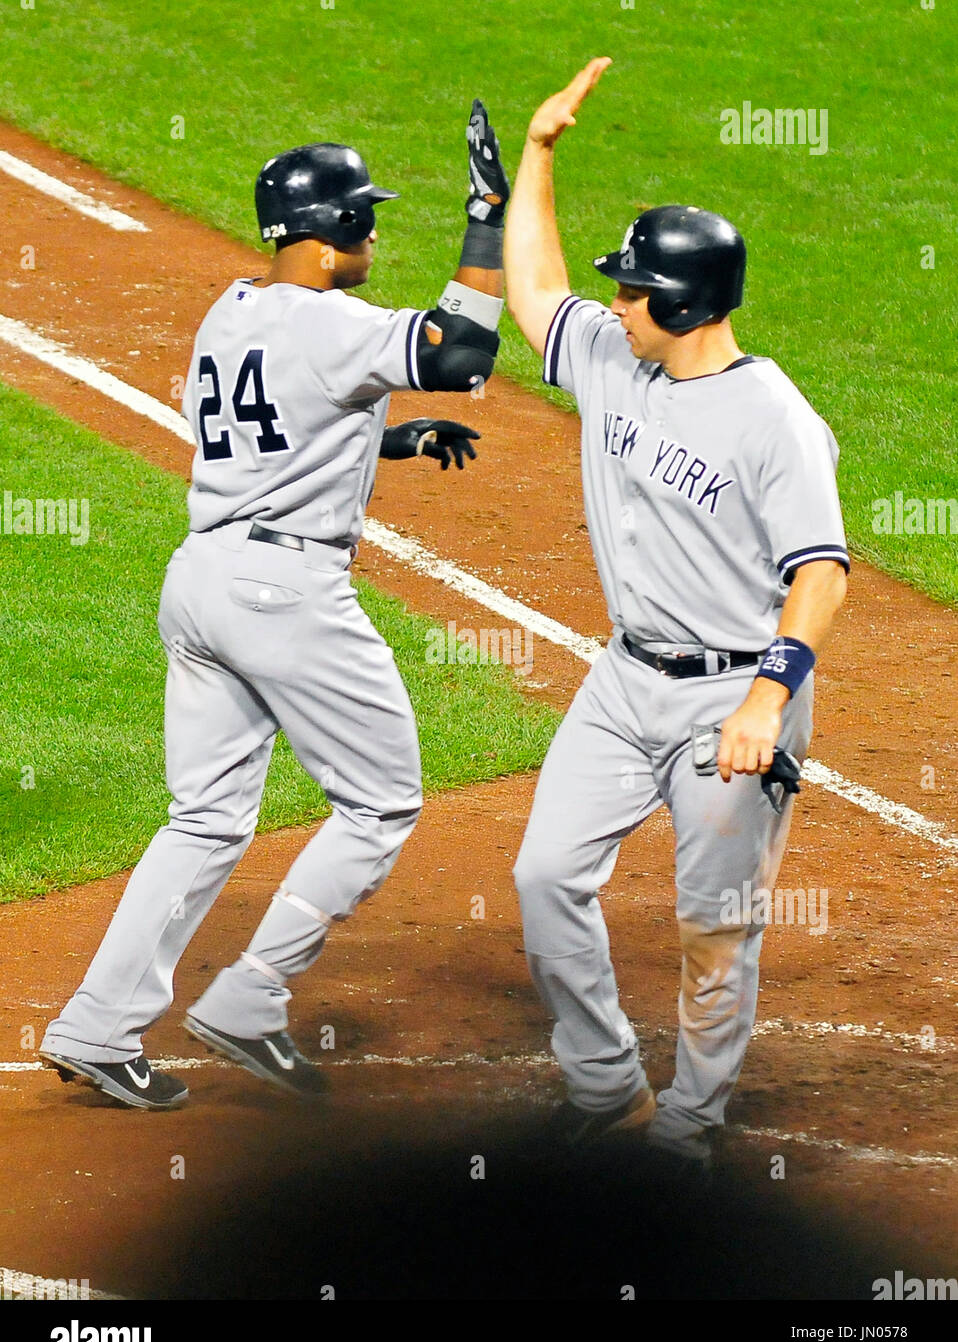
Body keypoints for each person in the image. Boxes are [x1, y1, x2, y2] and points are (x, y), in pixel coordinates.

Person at [40, 102, 511, 1110]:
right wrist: (486, 218)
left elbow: (275, 424)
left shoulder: (232, 308)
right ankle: (251, 994)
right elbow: (461, 352)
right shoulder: (336, 321)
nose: (376, 234)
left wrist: (396, 438)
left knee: (204, 819)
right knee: (380, 800)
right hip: (282, 592)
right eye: (366, 217)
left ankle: (96, 1027)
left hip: (202, 579)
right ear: (333, 225)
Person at [505, 59, 849, 1174]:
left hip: (730, 697)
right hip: (623, 681)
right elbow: (533, 295)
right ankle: (606, 1083)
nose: (612, 303)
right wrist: (538, 155)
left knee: (713, 927)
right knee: (544, 874)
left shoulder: (773, 420)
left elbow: (823, 571)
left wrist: (766, 696)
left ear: (686, 305)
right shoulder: (615, 361)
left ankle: (690, 1127)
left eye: (633, 288)